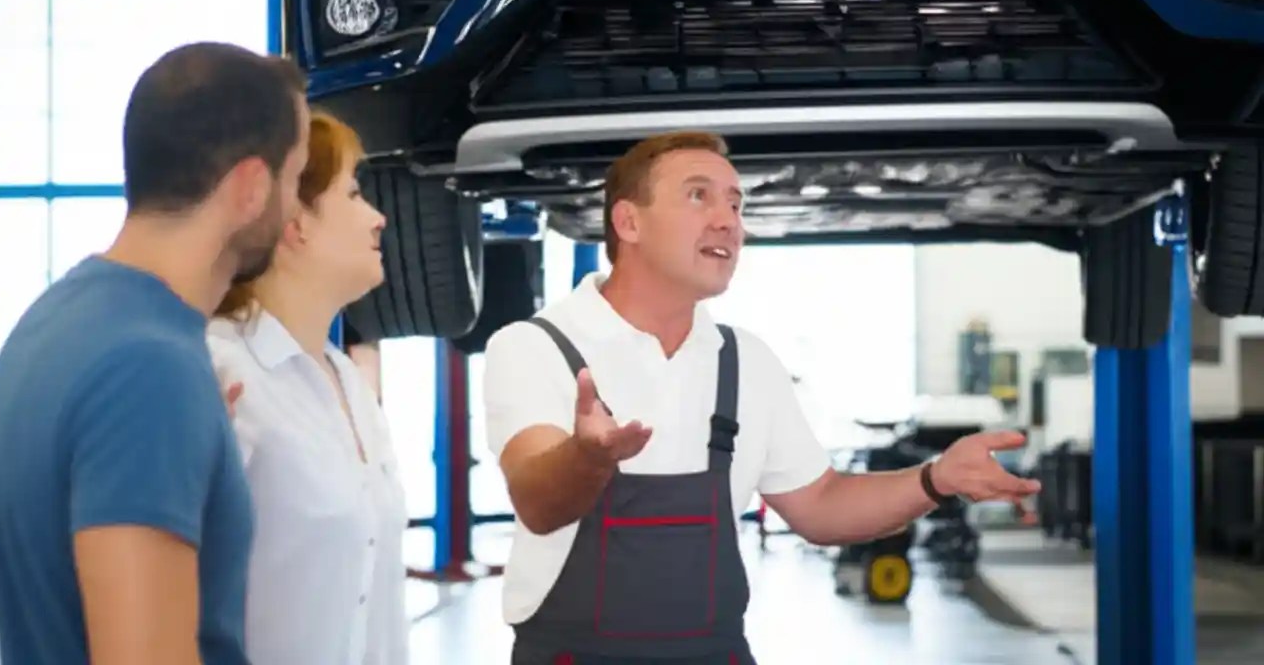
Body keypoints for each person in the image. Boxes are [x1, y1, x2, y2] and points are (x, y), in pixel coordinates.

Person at [483, 131, 1042, 664]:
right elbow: (537, 502)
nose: (727, 220)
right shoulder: (535, 346)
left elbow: (821, 507)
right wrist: (586, 458)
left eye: (736, 204)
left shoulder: (745, 361)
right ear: (628, 222)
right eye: (698, 196)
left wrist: (935, 478)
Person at [0, 41, 309, 665]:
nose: (294, 211)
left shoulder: (56, 322)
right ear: (250, 187)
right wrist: (167, 413)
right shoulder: (149, 369)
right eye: (294, 179)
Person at [206, 111, 409, 665]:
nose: (379, 219)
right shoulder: (220, 369)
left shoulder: (347, 381)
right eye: (353, 194)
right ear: (296, 221)